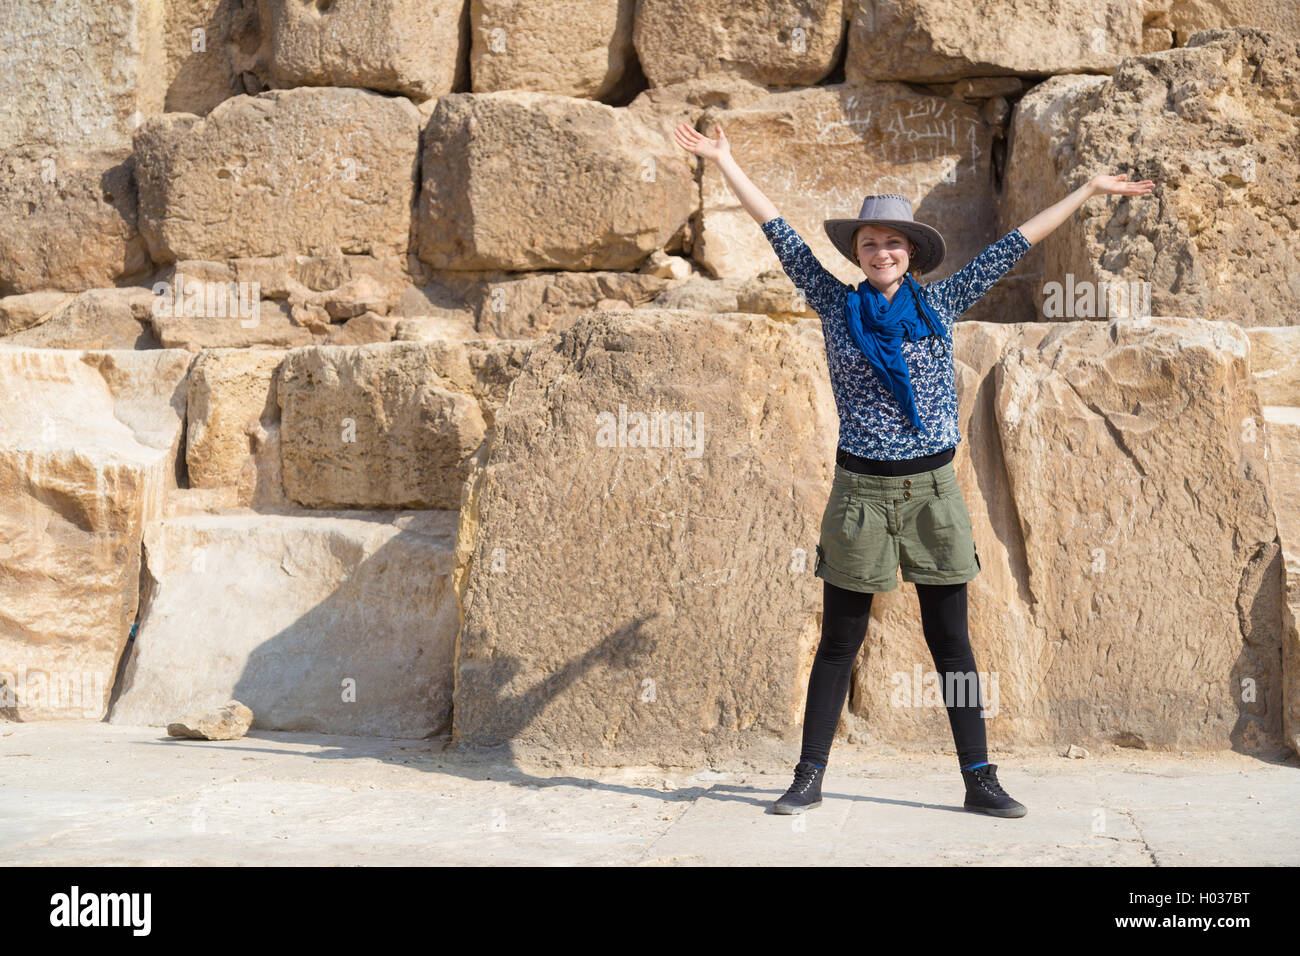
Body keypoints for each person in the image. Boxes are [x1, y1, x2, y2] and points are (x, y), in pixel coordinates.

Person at [673, 120, 1154, 818]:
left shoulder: (940, 303)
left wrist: (1084, 189)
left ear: (912, 252)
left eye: (893, 242)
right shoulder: (837, 304)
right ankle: (808, 776)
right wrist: (725, 160)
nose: (881, 251)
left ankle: (980, 779)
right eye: (870, 243)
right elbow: (780, 231)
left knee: (951, 641)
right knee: (840, 638)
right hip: (860, 490)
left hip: (933, 489)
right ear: (858, 252)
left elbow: (1017, 242)